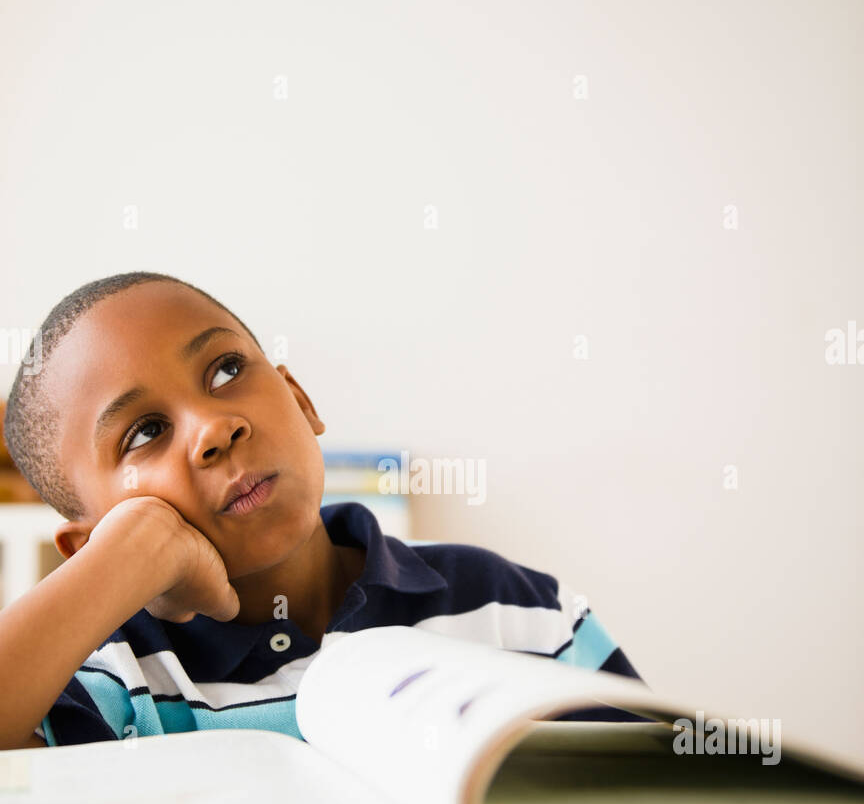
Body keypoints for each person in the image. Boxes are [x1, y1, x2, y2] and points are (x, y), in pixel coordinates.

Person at [0, 273, 643, 749]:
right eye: (143, 432)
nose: (214, 429)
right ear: (89, 545)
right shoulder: (116, 683)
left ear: (300, 399)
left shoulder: (517, 610)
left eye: (225, 370)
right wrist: (125, 560)